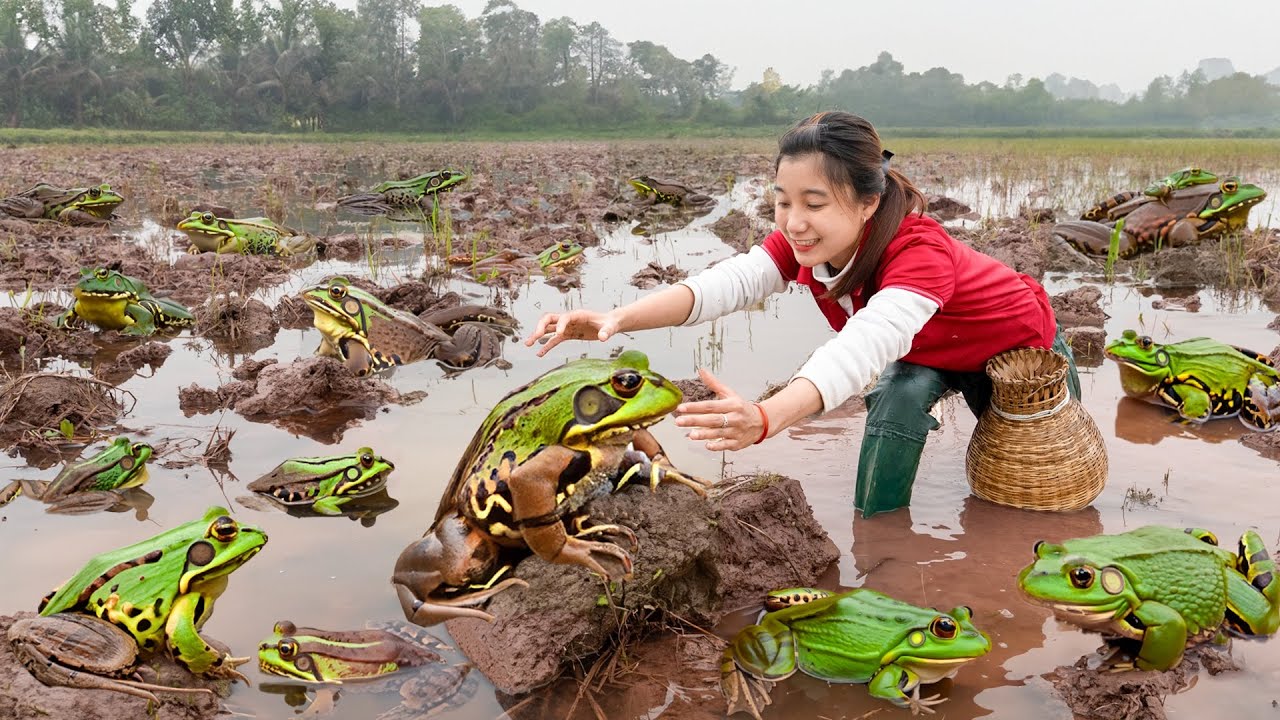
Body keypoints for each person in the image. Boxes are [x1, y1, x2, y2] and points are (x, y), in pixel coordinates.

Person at [523, 111, 1080, 518]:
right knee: (897, 397)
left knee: (1035, 487)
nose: (793, 221)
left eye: (814, 204)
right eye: (783, 200)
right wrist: (617, 318)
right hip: (926, 349)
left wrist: (769, 417)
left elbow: (864, 345)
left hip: (1014, 347)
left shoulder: (920, 252)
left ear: (868, 203)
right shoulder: (807, 243)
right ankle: (880, 534)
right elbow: (730, 283)